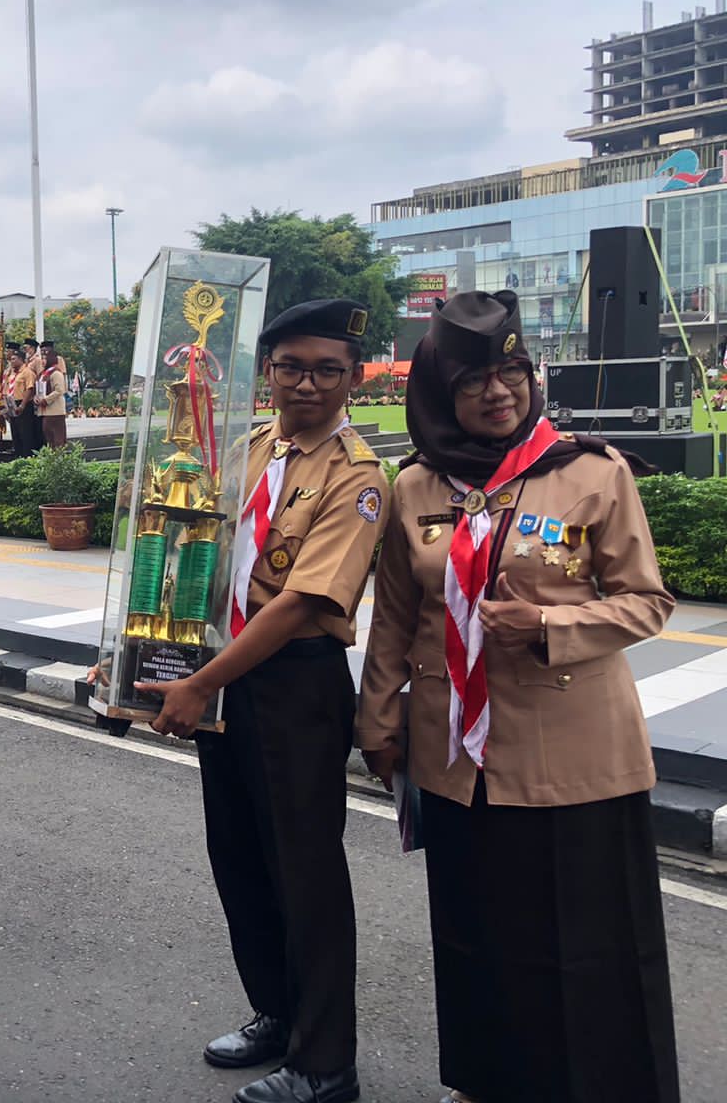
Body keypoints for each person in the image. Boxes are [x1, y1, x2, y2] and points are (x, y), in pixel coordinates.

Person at [358, 291, 680, 1103]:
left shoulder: (591, 472)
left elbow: (646, 602)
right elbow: (395, 615)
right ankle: (485, 1079)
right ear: (439, 395)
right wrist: (378, 721)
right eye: (473, 382)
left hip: (573, 754)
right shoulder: (416, 488)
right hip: (456, 754)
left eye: (511, 372)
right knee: (475, 932)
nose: (498, 392)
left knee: (588, 940)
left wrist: (546, 622)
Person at [136, 298, 386, 1103]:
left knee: (303, 871)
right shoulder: (242, 446)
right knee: (238, 856)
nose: (306, 384)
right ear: (267, 370)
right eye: (291, 367)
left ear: (355, 376)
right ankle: (275, 1014)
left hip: (291, 686)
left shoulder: (357, 475)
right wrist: (149, 659)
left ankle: (325, 1061)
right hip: (220, 676)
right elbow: (188, 538)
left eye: (326, 370)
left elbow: (304, 601)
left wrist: (203, 682)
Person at [33, 340, 68, 448]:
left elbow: (59, 390)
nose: (42, 361)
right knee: (48, 439)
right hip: (44, 411)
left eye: (45, 358)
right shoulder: (42, 374)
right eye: (42, 358)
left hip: (55, 411)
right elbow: (38, 389)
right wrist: (36, 398)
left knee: (57, 440)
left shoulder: (56, 373)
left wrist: (45, 399)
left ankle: (58, 462)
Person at [3, 347, 36, 457]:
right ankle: (18, 456)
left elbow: (29, 389)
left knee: (25, 433)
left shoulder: (27, 372)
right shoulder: (11, 373)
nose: (11, 361)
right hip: (12, 402)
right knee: (15, 432)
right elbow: (7, 388)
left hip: (23, 404)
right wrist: (6, 406)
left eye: (14, 359)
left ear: (21, 360)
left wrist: (22, 405)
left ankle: (26, 457)